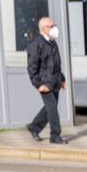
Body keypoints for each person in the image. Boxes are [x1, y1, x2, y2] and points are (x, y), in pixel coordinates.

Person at [26, 16, 66, 144]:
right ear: (44, 28)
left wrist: (62, 79)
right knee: (52, 108)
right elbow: (32, 68)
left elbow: (56, 63)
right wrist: (38, 84)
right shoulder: (36, 44)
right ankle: (55, 135)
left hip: (55, 82)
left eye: (54, 26)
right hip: (45, 83)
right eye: (51, 26)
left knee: (49, 108)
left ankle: (34, 127)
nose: (54, 28)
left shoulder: (52, 42)